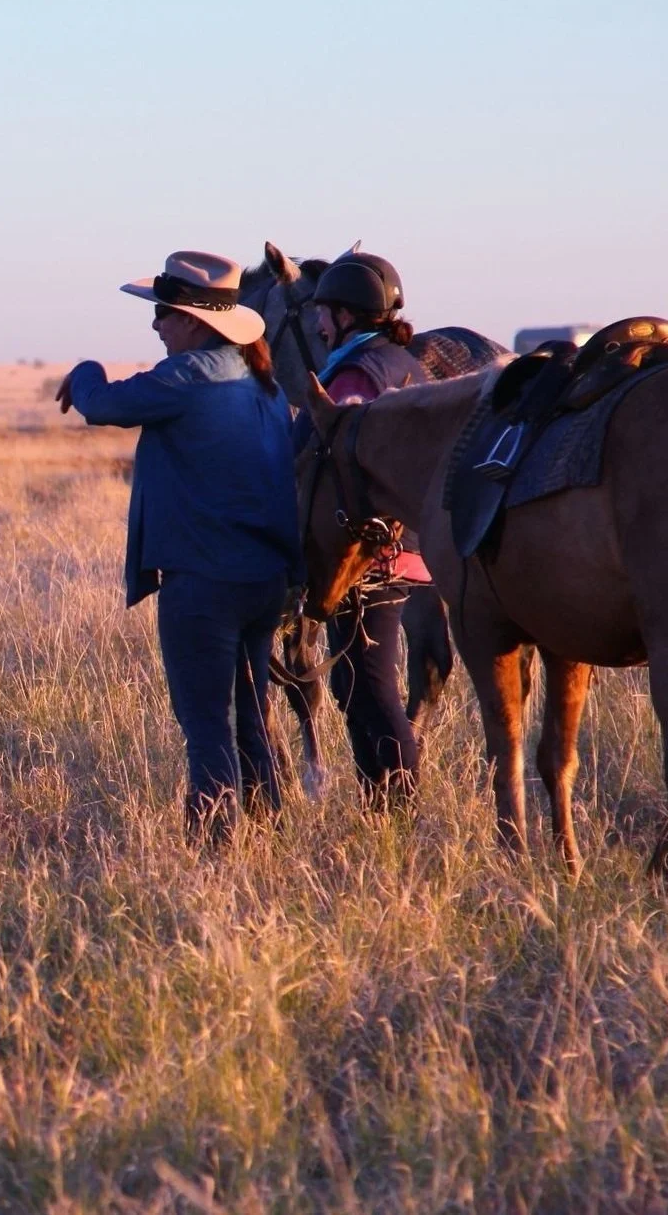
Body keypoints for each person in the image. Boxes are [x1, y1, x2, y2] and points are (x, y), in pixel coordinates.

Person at [56, 250, 300, 840]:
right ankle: (268, 833)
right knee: (250, 715)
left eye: (163, 312)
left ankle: (214, 844)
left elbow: (103, 405)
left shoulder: (187, 378)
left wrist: (86, 368)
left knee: (205, 721)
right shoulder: (263, 385)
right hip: (266, 580)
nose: (156, 324)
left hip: (204, 583)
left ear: (193, 320)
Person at [308, 251, 428, 806]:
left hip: (363, 558)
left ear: (347, 315)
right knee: (358, 681)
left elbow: (344, 473)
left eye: (325, 312)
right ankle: (381, 801)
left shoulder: (355, 375)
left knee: (366, 684)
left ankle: (397, 805)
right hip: (404, 551)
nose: (318, 324)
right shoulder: (408, 365)